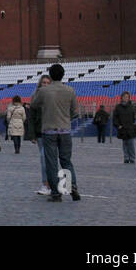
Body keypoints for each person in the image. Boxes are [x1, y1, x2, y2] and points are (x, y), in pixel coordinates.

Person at [31, 63, 80, 202]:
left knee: (51, 162)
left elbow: (34, 104)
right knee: (66, 161)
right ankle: (72, 186)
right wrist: (66, 118)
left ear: (51, 76)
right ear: (63, 75)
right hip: (65, 130)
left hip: (49, 131)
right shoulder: (69, 90)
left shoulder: (44, 91)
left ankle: (55, 193)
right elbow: (74, 111)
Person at [112, 92, 136, 164]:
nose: (126, 98)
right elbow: (115, 117)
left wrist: (133, 124)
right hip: (122, 127)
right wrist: (118, 125)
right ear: (121, 98)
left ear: (129, 98)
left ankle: (132, 158)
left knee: (131, 143)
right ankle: (126, 157)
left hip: (130, 127)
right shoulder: (118, 107)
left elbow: (134, 116)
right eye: (124, 97)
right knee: (125, 143)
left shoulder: (132, 106)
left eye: (127, 97)